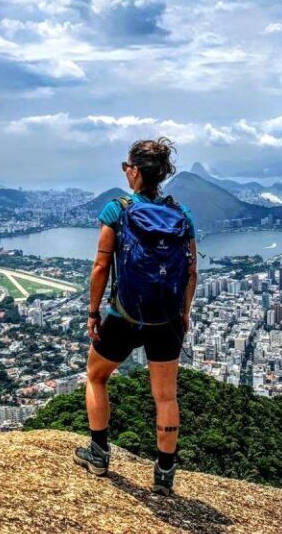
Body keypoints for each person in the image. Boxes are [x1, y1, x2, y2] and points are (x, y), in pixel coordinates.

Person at [73, 137, 198, 496]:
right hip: (167, 319)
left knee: (96, 376)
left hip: (124, 315)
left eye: (127, 167)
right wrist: (183, 314)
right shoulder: (182, 214)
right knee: (165, 396)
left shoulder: (118, 209)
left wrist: (93, 312)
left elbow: (100, 267)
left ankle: (98, 454)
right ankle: (164, 475)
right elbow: (192, 273)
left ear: (137, 172)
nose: (126, 172)